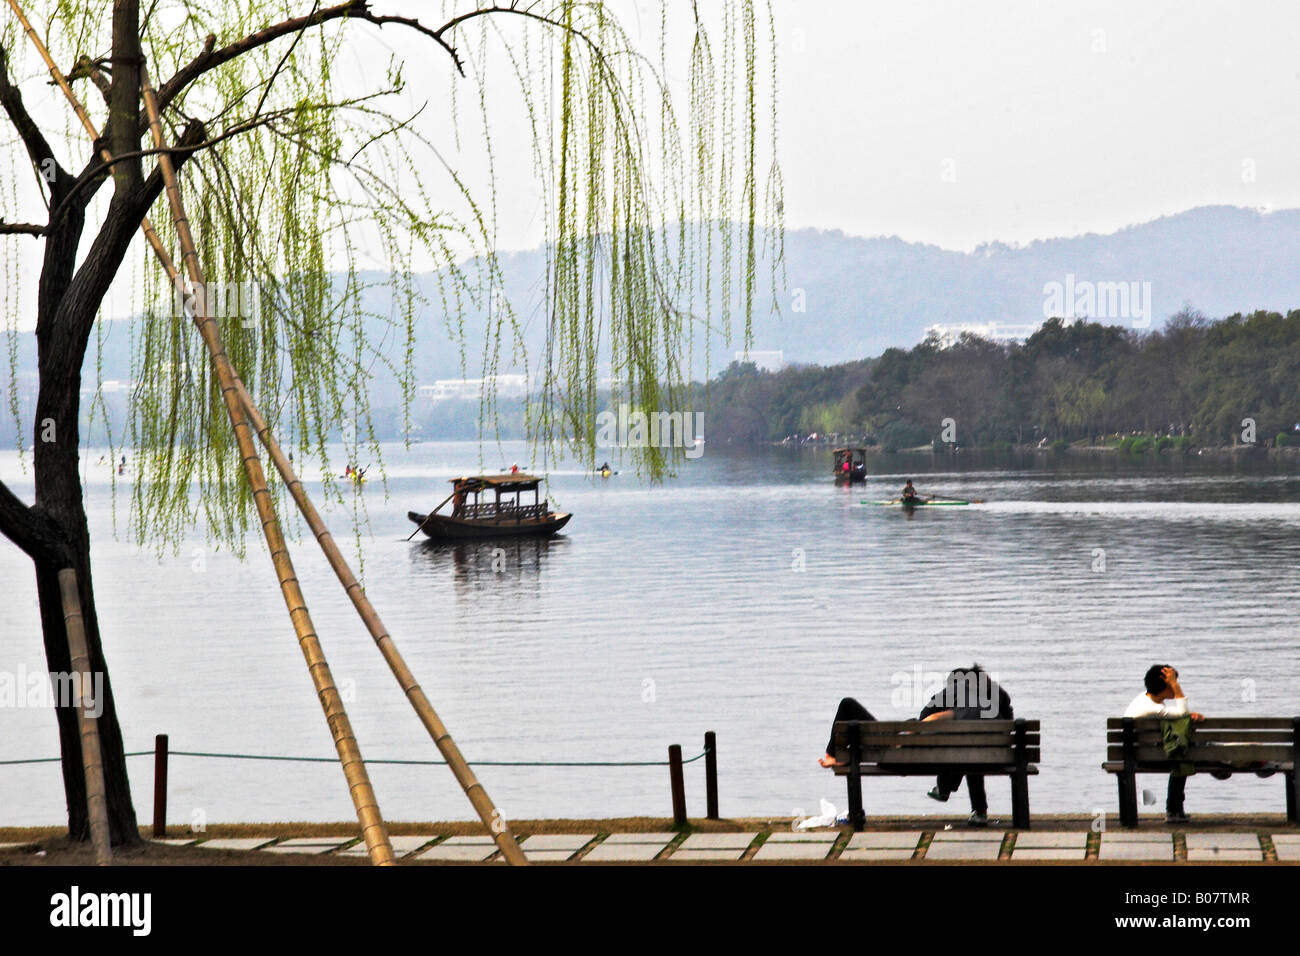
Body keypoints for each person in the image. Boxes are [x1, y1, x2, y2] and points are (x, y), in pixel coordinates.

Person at [819, 665, 1011, 827]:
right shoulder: (996, 714)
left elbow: (931, 717)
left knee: (848, 705)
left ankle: (834, 754)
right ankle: (979, 811)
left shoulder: (958, 702)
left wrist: (907, 736)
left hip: (900, 757)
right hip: (970, 760)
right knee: (970, 753)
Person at [1124, 665, 1204, 823]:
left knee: (1182, 754)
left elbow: (1179, 714)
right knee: (1182, 756)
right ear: (1165, 687)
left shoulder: (1143, 699)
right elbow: (1181, 713)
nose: (1176, 687)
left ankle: (1174, 811)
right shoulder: (1154, 708)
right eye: (1173, 684)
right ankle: (1174, 811)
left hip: (1135, 754)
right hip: (1147, 758)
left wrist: (1186, 714)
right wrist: (1177, 688)